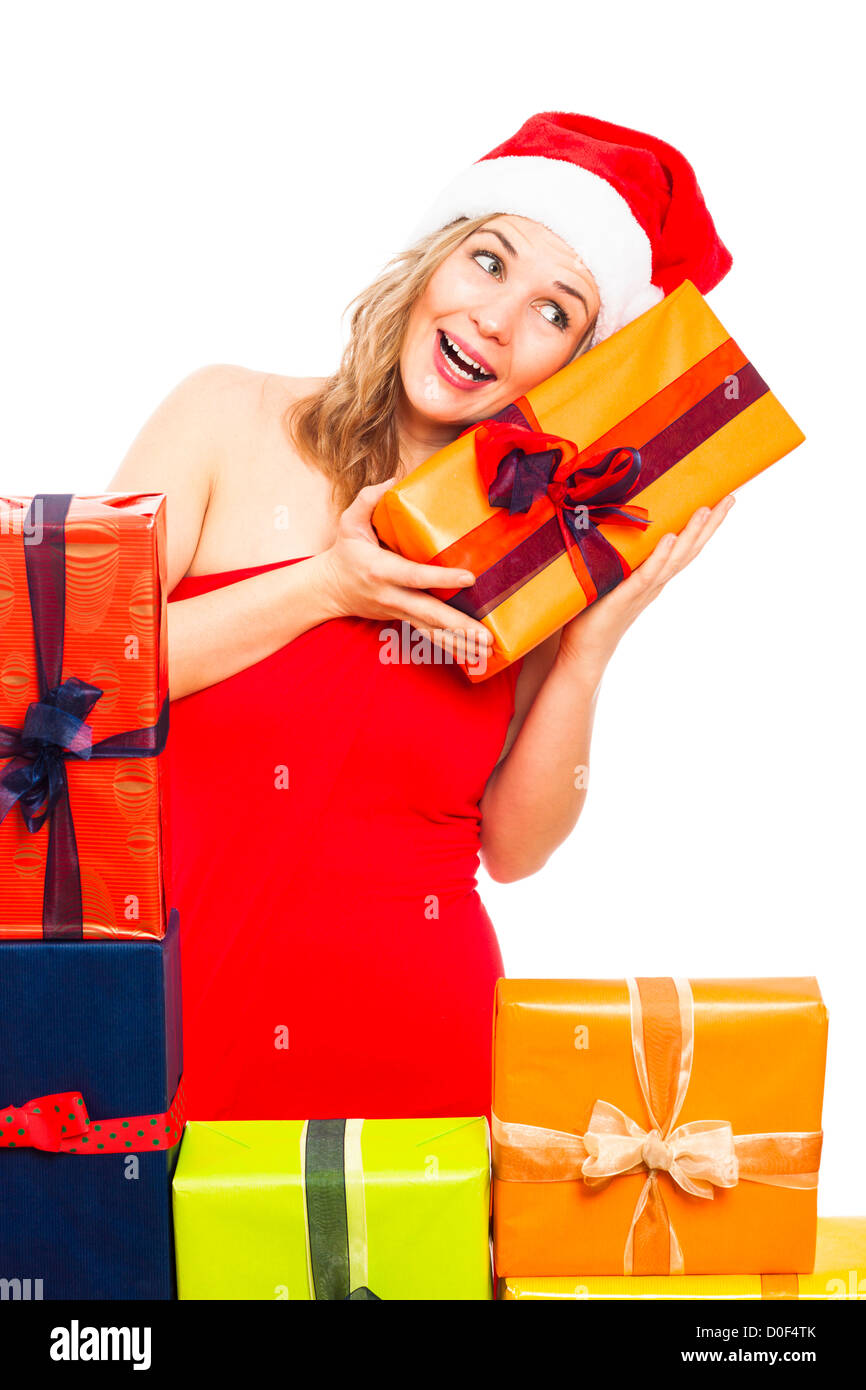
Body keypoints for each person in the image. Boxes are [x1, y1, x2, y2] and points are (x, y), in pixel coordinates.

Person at [108, 111, 735, 1123]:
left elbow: (515, 850)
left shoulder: (535, 548)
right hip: (174, 1015)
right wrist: (327, 586)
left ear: (574, 364)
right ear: (431, 261)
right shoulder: (225, 415)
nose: (494, 317)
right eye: (486, 262)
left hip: (419, 1051)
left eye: (551, 311)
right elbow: (69, 684)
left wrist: (584, 652)